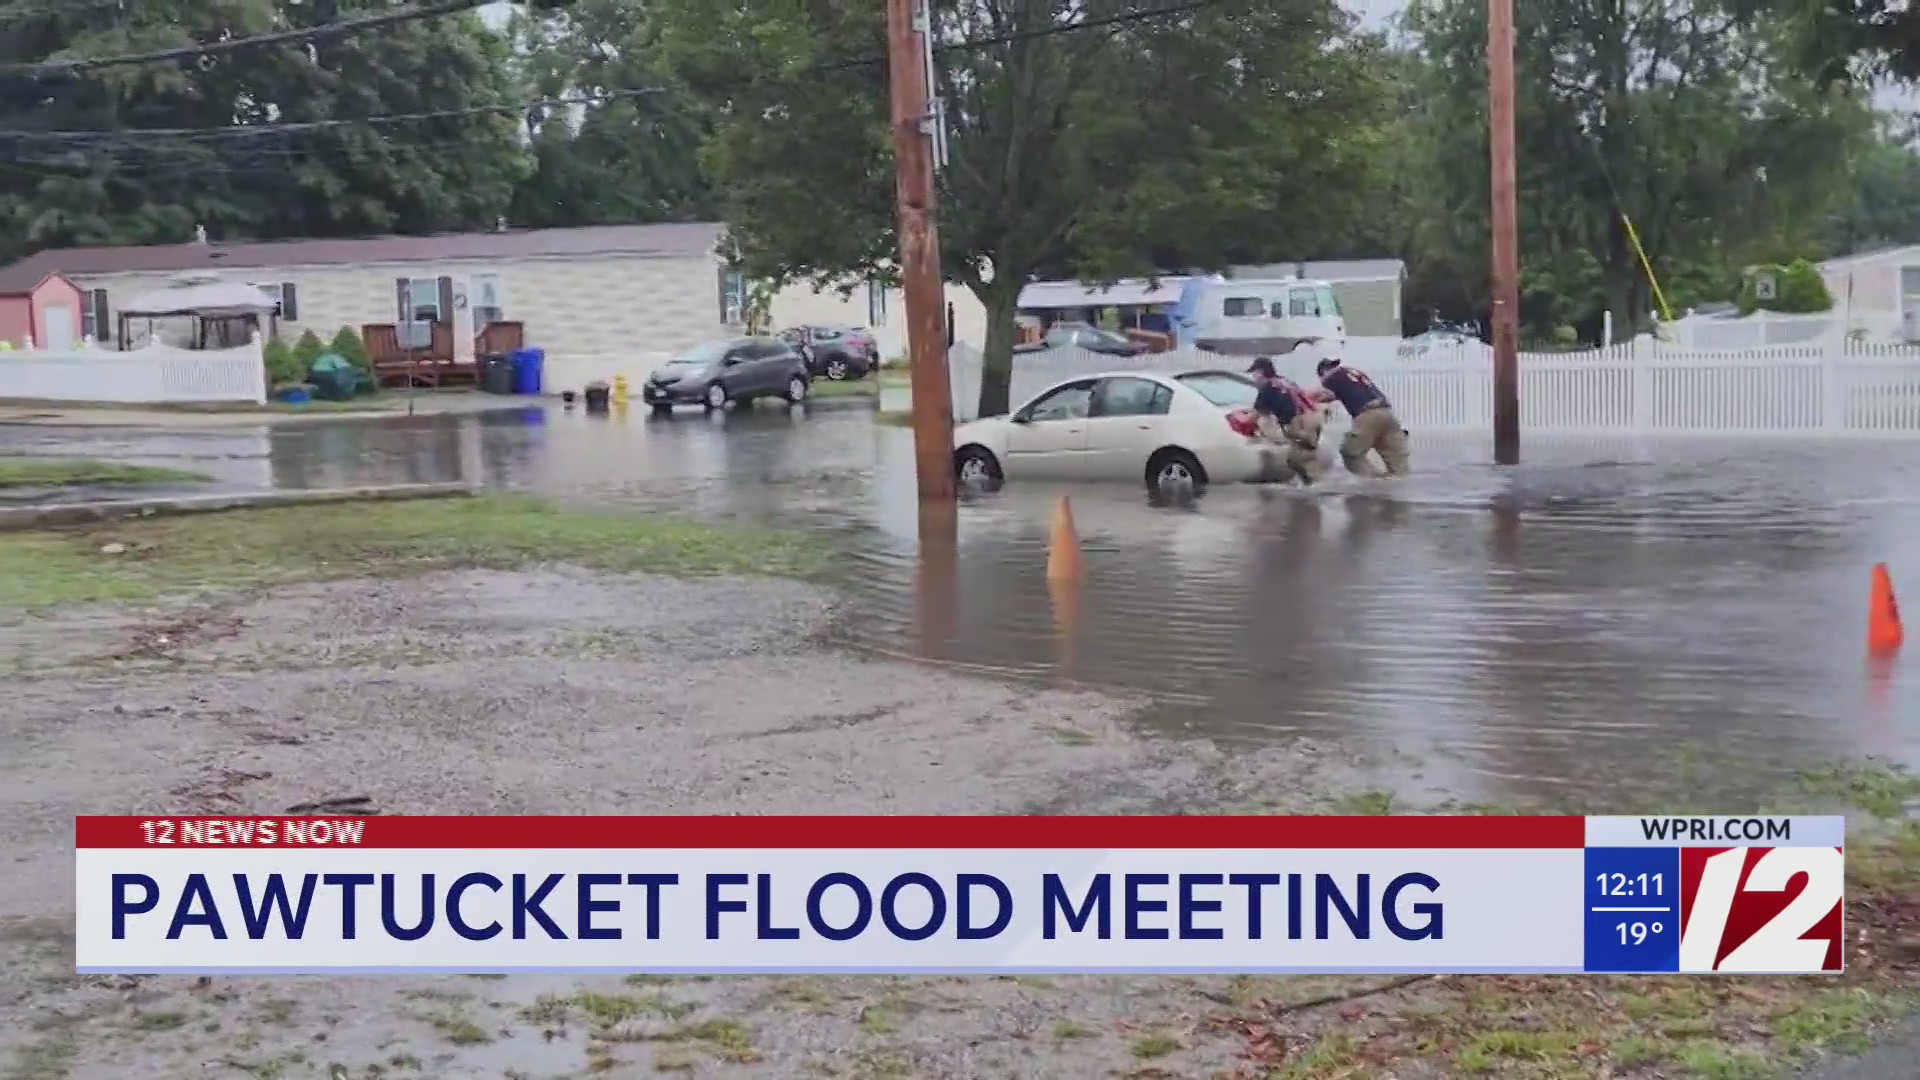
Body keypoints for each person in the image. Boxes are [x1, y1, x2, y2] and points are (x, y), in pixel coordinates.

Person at [1312, 356, 1409, 477]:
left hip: (1368, 415)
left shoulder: (1331, 375)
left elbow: (1313, 393)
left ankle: (1372, 481)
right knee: (1398, 464)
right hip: (1388, 414)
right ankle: (1396, 482)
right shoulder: (1355, 374)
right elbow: (1339, 394)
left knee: (1351, 454)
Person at [1245, 357, 1325, 485]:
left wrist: (1236, 418)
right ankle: (1311, 485)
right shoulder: (1285, 381)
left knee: (1300, 459)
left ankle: (1319, 489)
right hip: (1314, 417)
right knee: (1299, 457)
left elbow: (1255, 415)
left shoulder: (1267, 387)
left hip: (1300, 422)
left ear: (1261, 371)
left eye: (1254, 373)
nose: (1254, 376)